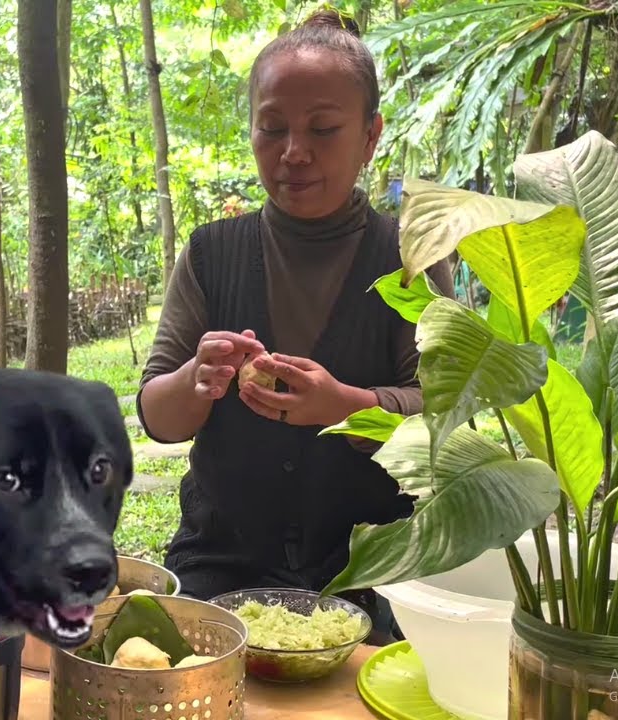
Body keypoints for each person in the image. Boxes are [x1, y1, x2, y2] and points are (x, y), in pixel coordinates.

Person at [134, 7, 453, 645]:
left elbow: (446, 421)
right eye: (272, 127)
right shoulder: (211, 254)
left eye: (324, 129)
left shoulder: (411, 257)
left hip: (373, 568)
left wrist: (347, 406)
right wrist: (197, 380)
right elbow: (157, 417)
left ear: (370, 135)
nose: (294, 153)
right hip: (221, 560)